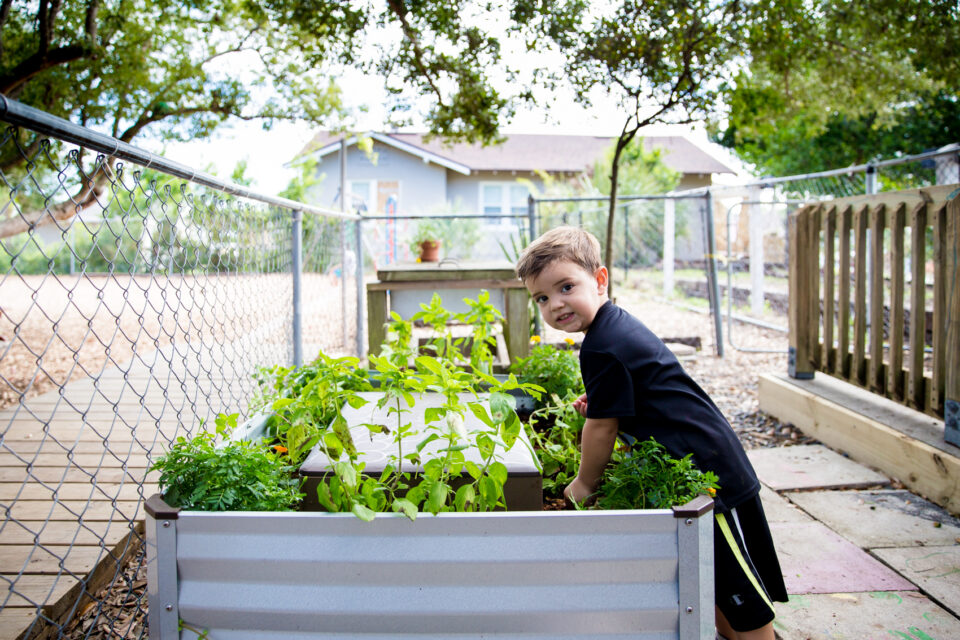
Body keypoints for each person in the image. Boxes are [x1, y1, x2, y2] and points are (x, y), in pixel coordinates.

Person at [515, 226, 788, 640]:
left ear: (600, 279)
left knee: (742, 598)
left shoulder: (602, 344)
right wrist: (608, 403)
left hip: (709, 477)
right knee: (712, 580)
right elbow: (631, 396)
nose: (555, 304)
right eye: (542, 298)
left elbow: (601, 427)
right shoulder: (612, 328)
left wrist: (585, 483)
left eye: (566, 286)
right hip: (699, 463)